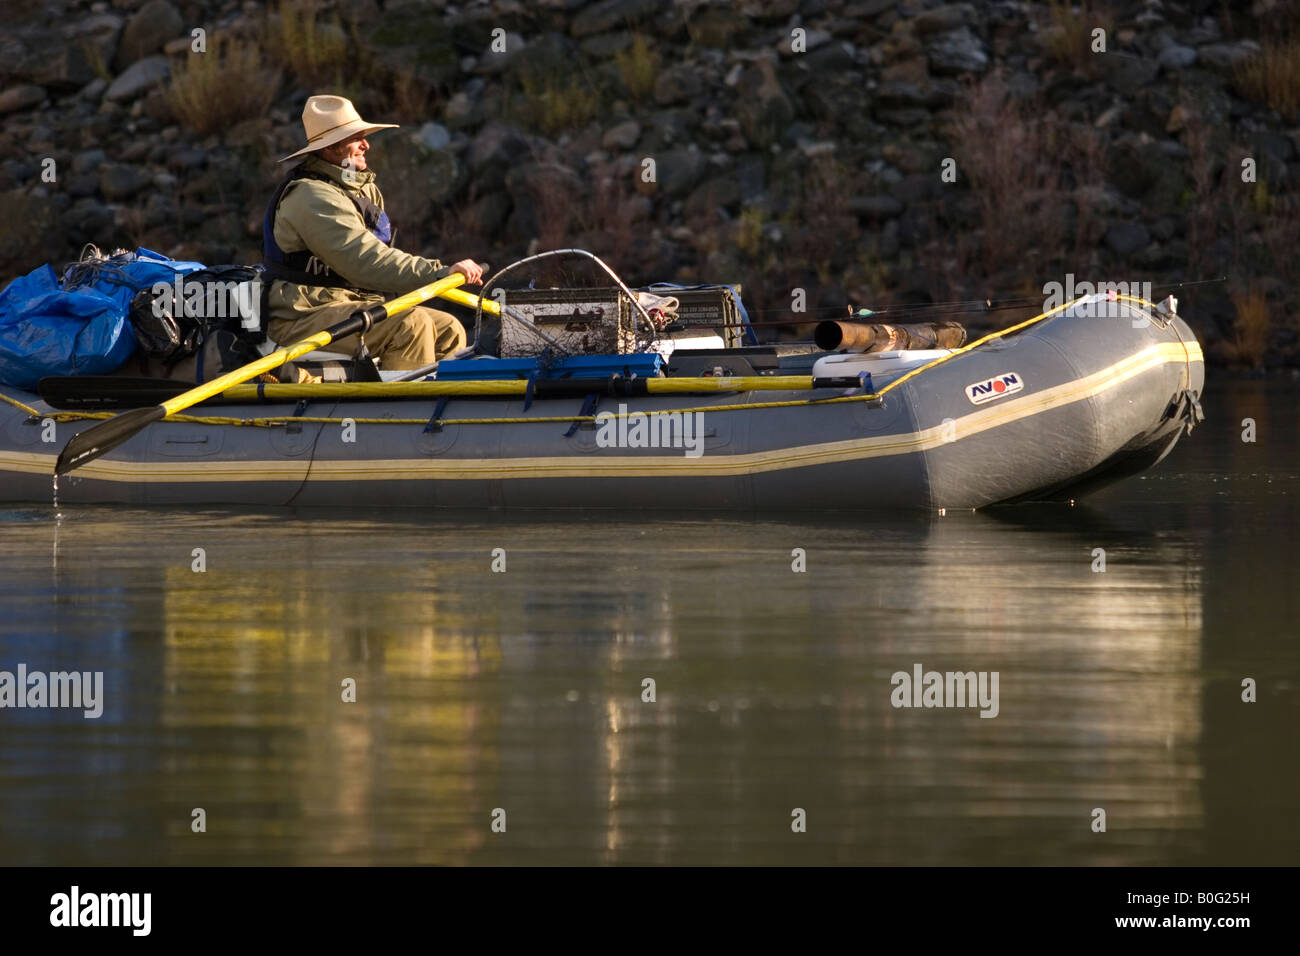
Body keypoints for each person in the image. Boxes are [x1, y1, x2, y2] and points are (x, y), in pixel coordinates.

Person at [262, 94, 482, 370]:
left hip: (347, 306)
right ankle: (396, 411)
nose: (367, 144)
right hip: (300, 316)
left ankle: (443, 408)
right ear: (330, 148)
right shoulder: (311, 196)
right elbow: (366, 261)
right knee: (411, 326)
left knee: (449, 328)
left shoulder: (362, 190)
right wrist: (440, 273)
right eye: (356, 138)